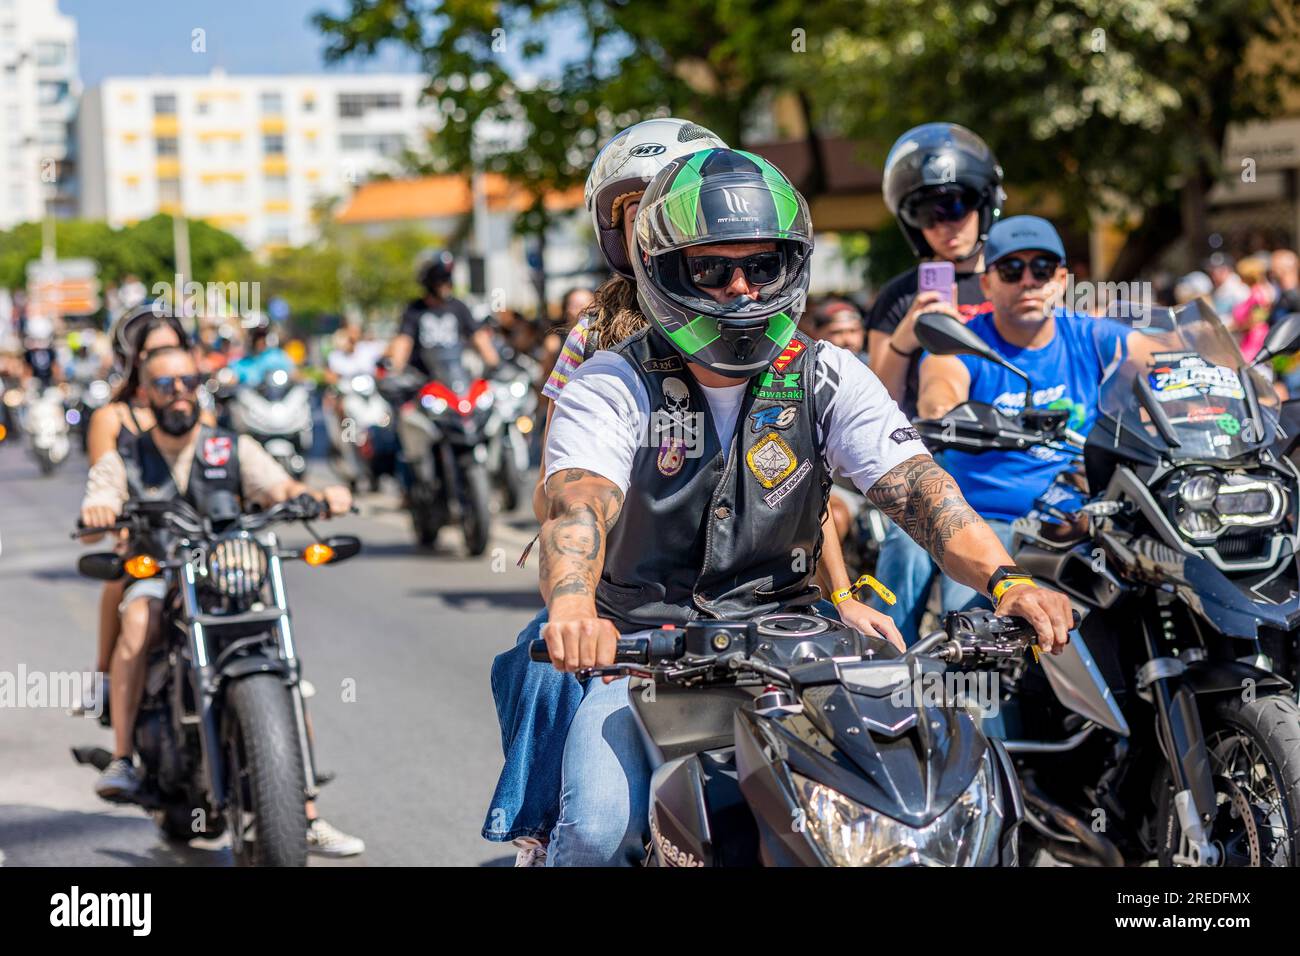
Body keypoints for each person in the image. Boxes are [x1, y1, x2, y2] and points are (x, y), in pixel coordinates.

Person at [535, 149, 1073, 866]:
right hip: (646, 654)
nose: (739, 287)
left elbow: (917, 486)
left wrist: (1008, 580)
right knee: (597, 832)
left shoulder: (824, 373)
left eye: (761, 267)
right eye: (711, 268)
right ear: (662, 270)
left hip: (796, 646)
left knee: (918, 802)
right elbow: (579, 507)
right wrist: (574, 611)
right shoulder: (610, 384)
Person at [484, 121, 891, 867]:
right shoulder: (601, 344)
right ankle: (543, 838)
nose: (732, 279)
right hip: (632, 594)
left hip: (761, 621)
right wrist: (576, 593)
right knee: (551, 693)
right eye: (638, 207)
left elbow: (797, 489)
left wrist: (843, 593)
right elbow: (569, 486)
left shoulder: (783, 344)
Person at [79, 344, 365, 856]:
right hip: (164, 574)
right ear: (146, 394)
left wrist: (317, 496)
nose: (180, 394)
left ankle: (304, 808)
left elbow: (276, 485)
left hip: (226, 574)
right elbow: (101, 493)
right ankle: (123, 756)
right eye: (166, 385)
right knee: (138, 620)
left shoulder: (228, 447)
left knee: (283, 661)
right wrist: (102, 508)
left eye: (188, 382)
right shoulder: (129, 454)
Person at [916, 216, 1133, 614]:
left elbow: (1160, 358)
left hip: (1087, 516)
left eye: (1042, 269)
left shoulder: (1091, 333)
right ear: (987, 283)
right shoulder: (965, 342)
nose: (1028, 281)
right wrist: (954, 416)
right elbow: (939, 397)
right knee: (975, 633)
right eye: (1012, 270)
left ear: (1062, 279)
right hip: (994, 525)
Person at [866, 122, 1003, 644]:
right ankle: (882, 660)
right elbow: (875, 395)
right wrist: (908, 332)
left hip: (1016, 449)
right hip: (932, 454)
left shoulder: (1017, 278)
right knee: (908, 543)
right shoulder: (902, 295)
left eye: (959, 204)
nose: (947, 224)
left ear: (986, 203)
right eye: (929, 212)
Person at [389, 251, 499, 378]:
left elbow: (478, 336)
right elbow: (404, 341)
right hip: (423, 381)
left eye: (447, 278)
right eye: (441, 280)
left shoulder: (458, 307)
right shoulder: (414, 309)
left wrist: (494, 364)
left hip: (455, 378)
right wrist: (396, 370)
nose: (446, 284)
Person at [229, 312, 296, 386]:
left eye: (262, 335)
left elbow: (294, 374)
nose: (259, 340)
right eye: (255, 336)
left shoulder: (277, 356)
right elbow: (232, 381)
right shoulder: (240, 363)